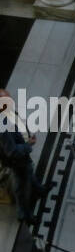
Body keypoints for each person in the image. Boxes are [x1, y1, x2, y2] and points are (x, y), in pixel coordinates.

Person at [0, 89, 51, 223]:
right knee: (21, 187)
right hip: (16, 161)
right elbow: (12, 151)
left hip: (22, 158)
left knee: (29, 171)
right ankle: (24, 215)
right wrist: (28, 144)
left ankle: (40, 190)